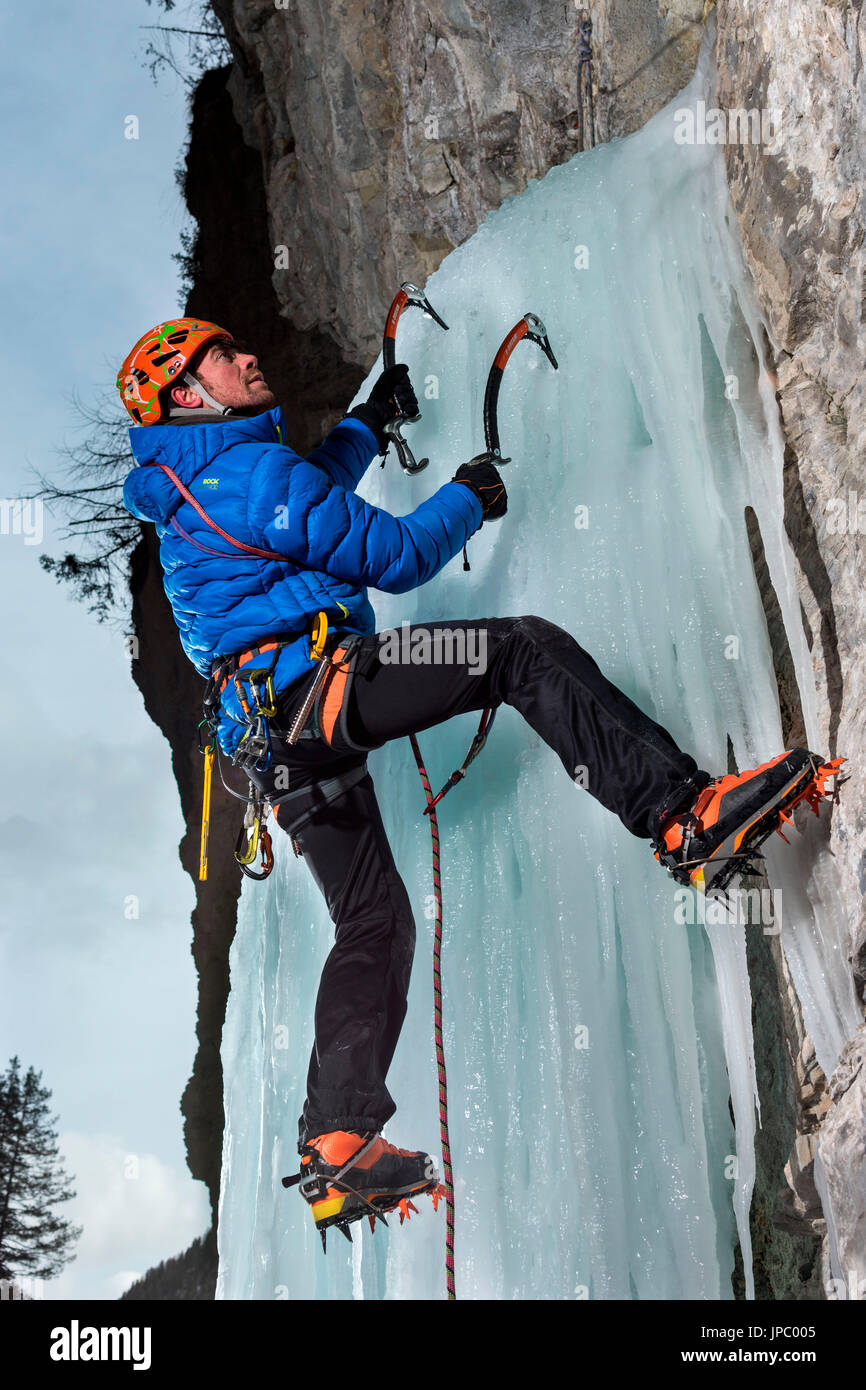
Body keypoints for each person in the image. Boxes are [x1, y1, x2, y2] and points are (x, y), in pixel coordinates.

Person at [119, 316, 834, 1242]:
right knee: (516, 650)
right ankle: (680, 815)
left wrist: (367, 428)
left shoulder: (194, 487)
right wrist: (468, 496)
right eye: (222, 355)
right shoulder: (245, 475)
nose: (247, 356)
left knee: (373, 919)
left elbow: (301, 502)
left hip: (274, 746)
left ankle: (336, 1135)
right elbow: (401, 555)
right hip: (319, 690)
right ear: (188, 392)